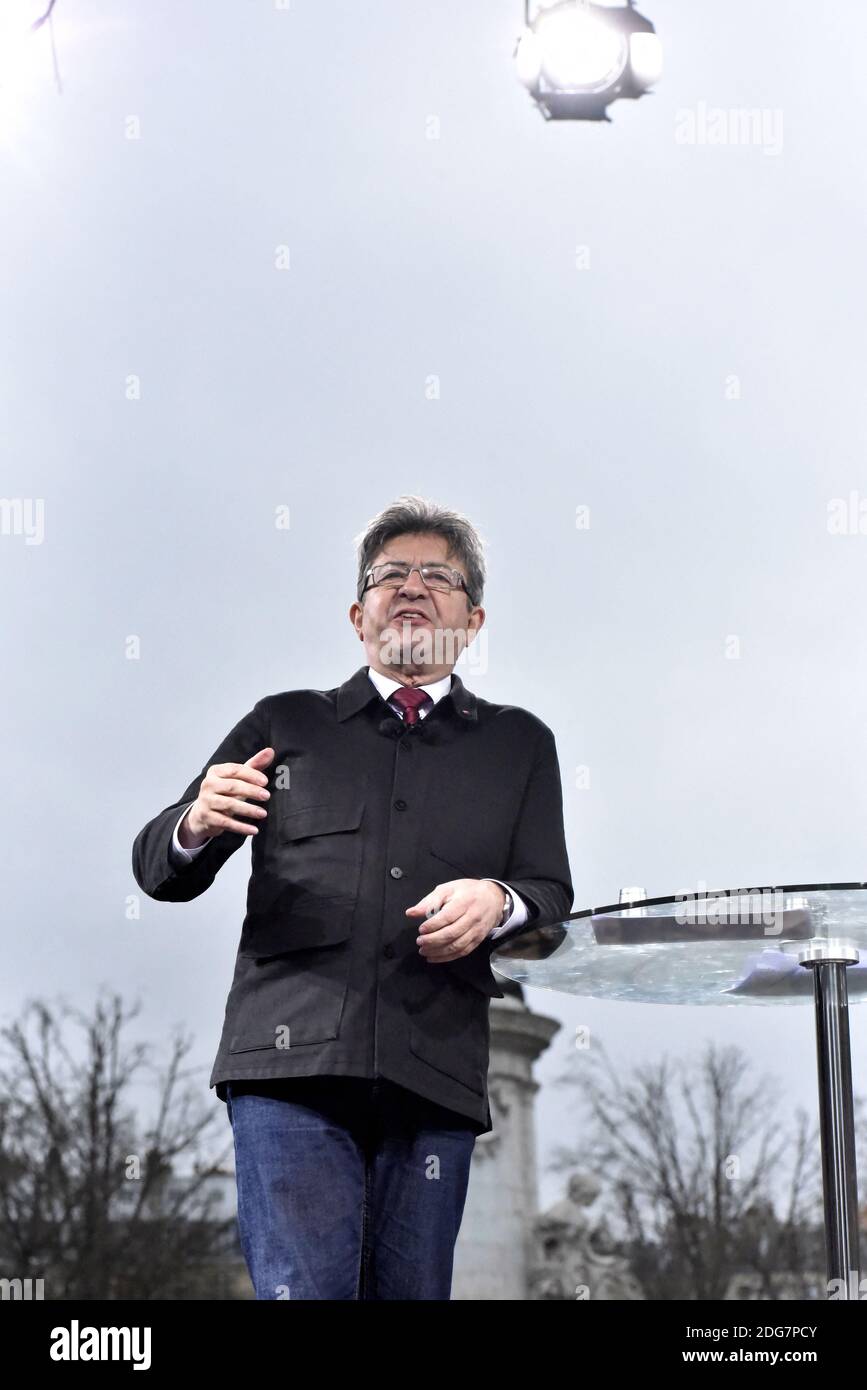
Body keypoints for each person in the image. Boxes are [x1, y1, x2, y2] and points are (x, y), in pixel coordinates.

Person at [132, 494, 573, 1299]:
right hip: (289, 1070)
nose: (411, 586)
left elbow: (550, 894)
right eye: (389, 574)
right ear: (357, 615)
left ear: (472, 621)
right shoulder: (284, 723)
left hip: (434, 1072)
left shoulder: (519, 744)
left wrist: (499, 899)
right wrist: (193, 822)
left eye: (437, 576)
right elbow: (160, 870)